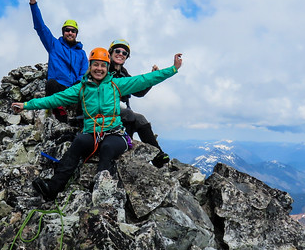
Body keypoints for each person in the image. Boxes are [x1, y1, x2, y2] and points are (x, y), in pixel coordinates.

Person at [12, 48, 183, 201]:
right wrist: (26, 105)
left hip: (115, 133)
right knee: (79, 142)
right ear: (90, 66)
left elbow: (145, 79)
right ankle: (53, 188)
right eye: (95, 65)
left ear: (107, 67)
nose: (99, 69)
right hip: (92, 132)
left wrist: (173, 68)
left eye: (102, 65)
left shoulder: (116, 84)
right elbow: (55, 99)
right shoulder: (81, 88)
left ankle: (100, 191)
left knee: (108, 148)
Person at [26, 0, 88, 122]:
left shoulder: (82, 53)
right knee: (51, 84)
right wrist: (33, 3)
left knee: (87, 89)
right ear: (63, 32)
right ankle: (59, 111)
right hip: (59, 86)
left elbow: (84, 72)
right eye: (67, 30)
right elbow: (40, 28)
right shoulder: (54, 45)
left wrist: (78, 84)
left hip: (74, 88)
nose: (70, 33)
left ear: (76, 34)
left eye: (73, 31)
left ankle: (81, 118)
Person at [108, 39, 170, 168]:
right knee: (129, 114)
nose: (120, 54)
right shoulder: (104, 69)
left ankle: (158, 156)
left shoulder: (124, 73)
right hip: (107, 110)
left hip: (122, 110)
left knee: (140, 119)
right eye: (117, 51)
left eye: (124, 53)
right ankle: (125, 149)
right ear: (110, 52)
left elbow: (139, 92)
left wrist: (152, 77)